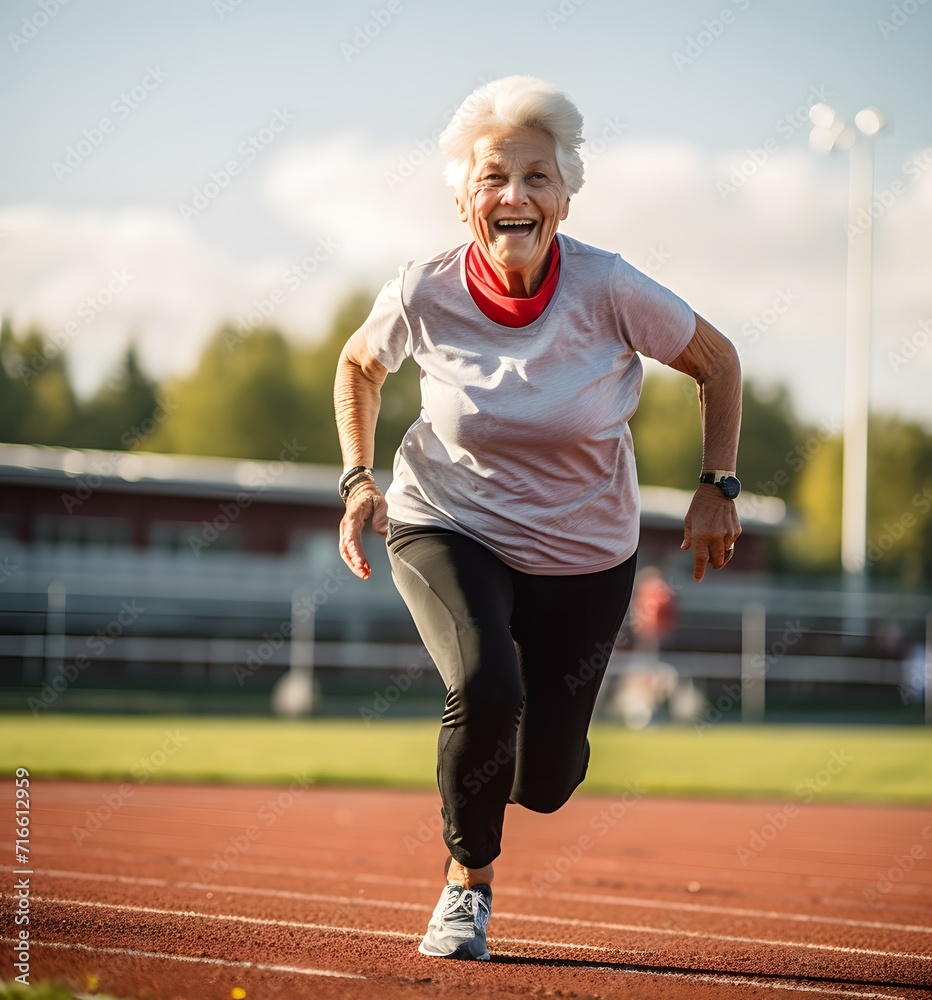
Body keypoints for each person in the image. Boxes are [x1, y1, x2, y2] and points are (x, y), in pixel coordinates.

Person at [334, 75, 742, 961]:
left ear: (564, 195)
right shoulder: (422, 291)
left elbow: (720, 362)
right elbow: (360, 366)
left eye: (537, 177)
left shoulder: (609, 288)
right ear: (460, 198)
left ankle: (520, 767)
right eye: (491, 178)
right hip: (448, 521)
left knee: (548, 780)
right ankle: (465, 885)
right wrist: (356, 478)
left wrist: (719, 483)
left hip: (584, 552)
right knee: (485, 689)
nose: (514, 194)